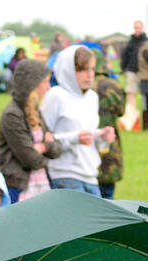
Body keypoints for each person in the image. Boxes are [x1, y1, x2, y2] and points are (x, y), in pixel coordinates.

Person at [41, 45, 113, 195]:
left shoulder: (92, 97)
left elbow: (88, 136)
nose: (89, 75)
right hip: (64, 175)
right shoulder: (55, 96)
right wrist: (75, 138)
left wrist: (101, 136)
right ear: (69, 70)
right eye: (82, 70)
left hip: (91, 175)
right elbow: (44, 139)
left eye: (92, 69)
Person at [0, 58, 59, 204]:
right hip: (18, 189)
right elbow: (30, 159)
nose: (48, 87)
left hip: (42, 186)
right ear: (31, 84)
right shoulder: (12, 115)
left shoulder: (35, 111)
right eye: (45, 82)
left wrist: (43, 147)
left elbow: (57, 149)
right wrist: (47, 146)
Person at [94, 54, 125, 199]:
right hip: (109, 145)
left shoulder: (80, 85)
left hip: (85, 145)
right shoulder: (114, 85)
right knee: (107, 196)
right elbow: (121, 111)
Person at [120, 20, 145, 112]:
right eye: (136, 27)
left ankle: (145, 114)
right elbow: (125, 56)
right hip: (131, 70)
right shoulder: (130, 41)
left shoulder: (146, 41)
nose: (137, 29)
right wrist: (123, 68)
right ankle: (131, 113)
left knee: (145, 94)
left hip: (144, 72)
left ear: (142, 28)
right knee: (131, 92)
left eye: (139, 27)